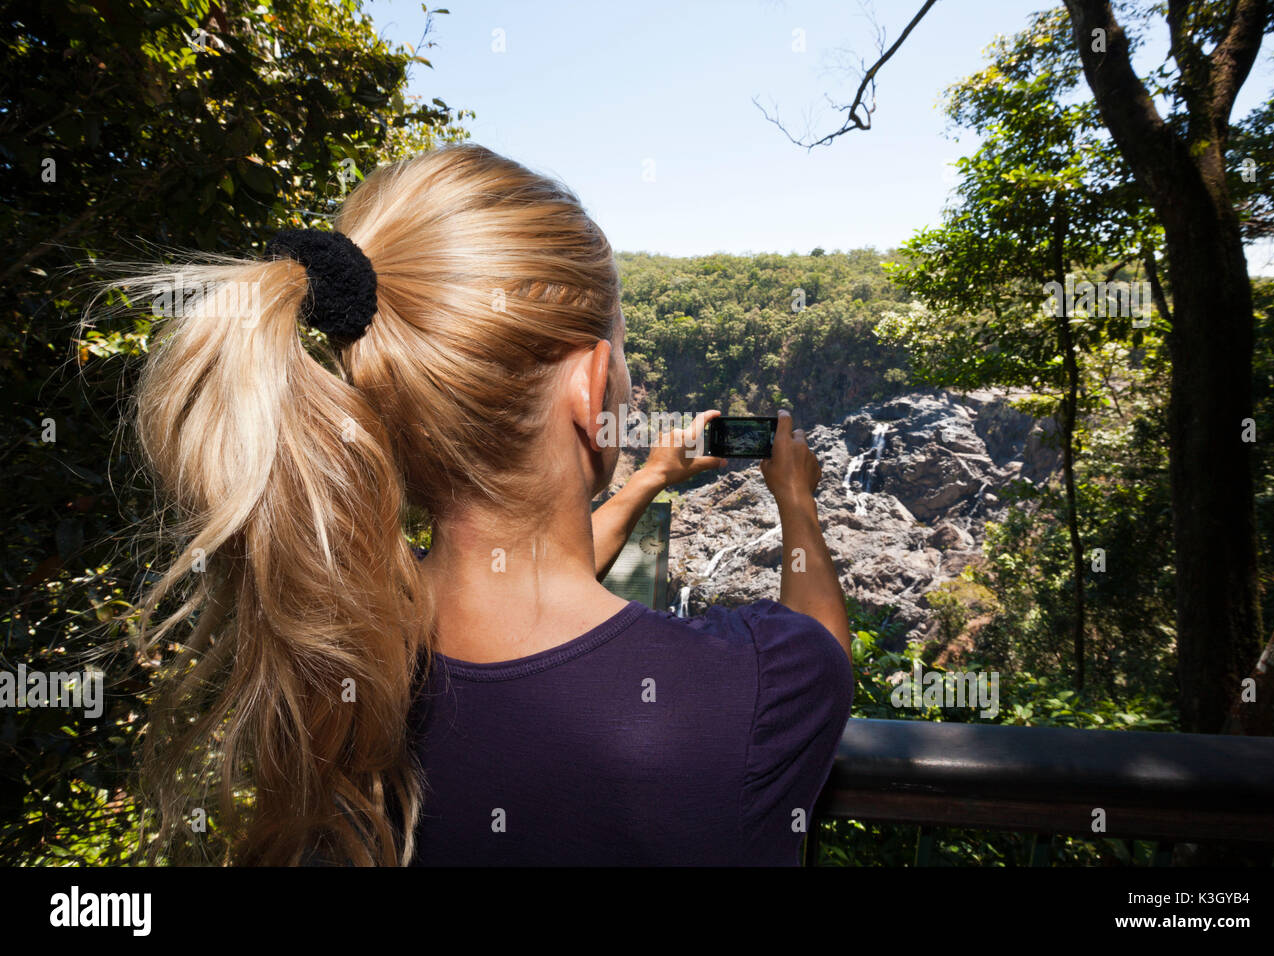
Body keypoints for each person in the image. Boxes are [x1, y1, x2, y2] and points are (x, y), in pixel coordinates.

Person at [109, 142, 853, 866]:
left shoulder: (343, 650)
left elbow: (531, 590)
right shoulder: (754, 680)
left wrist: (652, 477)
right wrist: (795, 499)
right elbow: (822, 653)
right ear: (592, 387)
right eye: (623, 355)